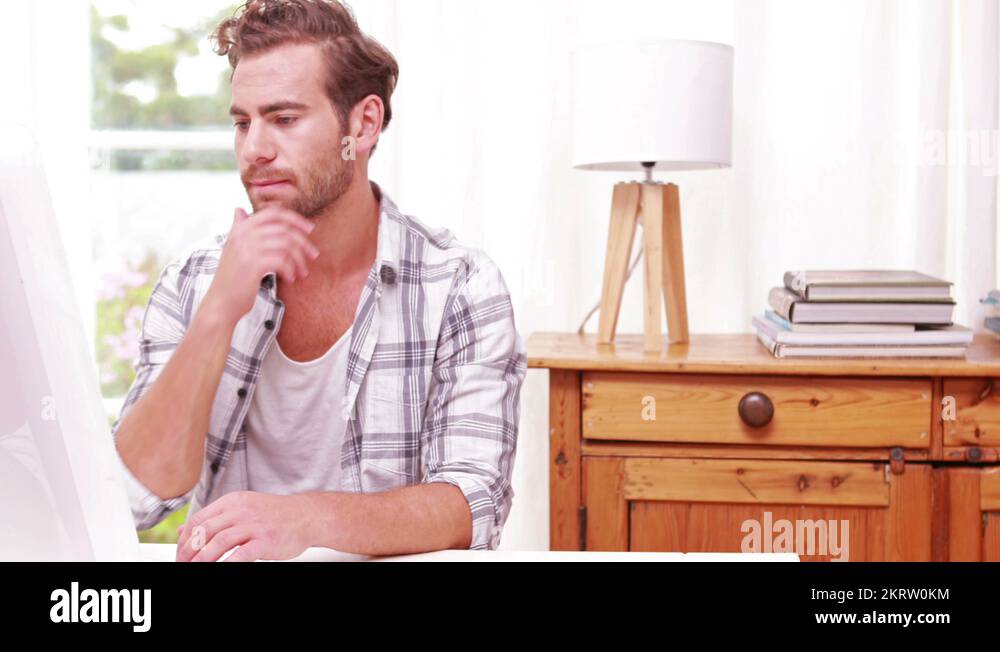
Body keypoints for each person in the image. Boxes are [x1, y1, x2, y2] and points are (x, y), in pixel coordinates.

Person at [111, 0, 526, 561]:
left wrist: (303, 517)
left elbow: (473, 502)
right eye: (242, 122)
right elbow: (135, 497)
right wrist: (218, 312)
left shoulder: (459, 287)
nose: (254, 149)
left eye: (283, 119)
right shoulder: (193, 282)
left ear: (364, 123)